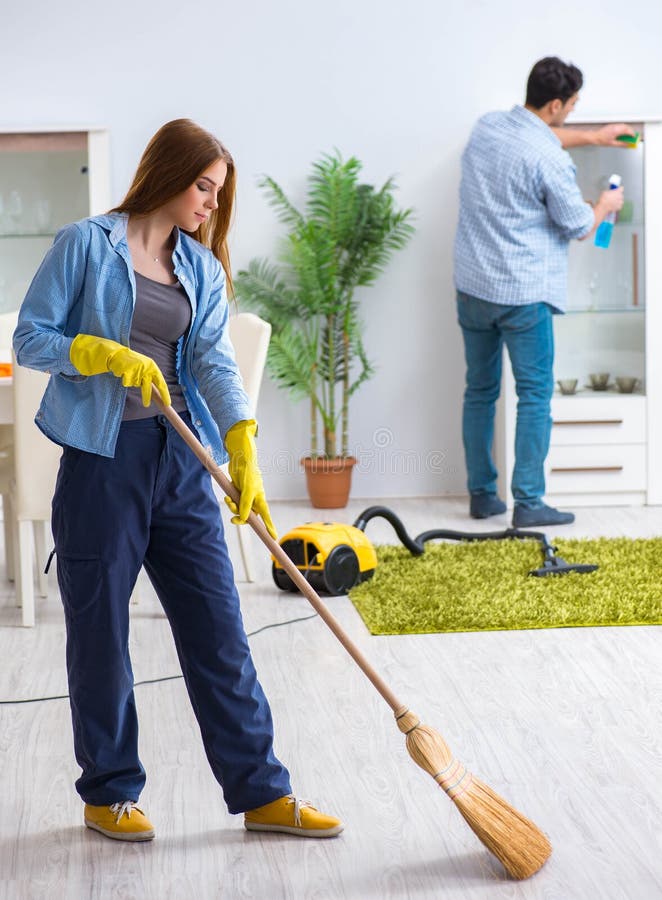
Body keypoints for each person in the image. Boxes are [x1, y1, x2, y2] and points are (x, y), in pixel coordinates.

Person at [13, 118, 343, 843]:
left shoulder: (198, 266)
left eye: (218, 193)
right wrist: (99, 353)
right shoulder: (86, 244)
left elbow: (214, 361)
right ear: (167, 173)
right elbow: (29, 337)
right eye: (204, 186)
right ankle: (109, 793)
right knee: (101, 636)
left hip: (184, 460)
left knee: (219, 631)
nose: (212, 204)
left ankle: (262, 791)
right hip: (103, 463)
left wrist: (242, 439)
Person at [453, 57, 629, 528]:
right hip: (522, 294)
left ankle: (482, 496)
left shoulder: (488, 127)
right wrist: (605, 204)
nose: (571, 113)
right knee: (534, 395)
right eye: (571, 107)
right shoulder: (551, 160)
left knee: (480, 391)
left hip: (473, 287)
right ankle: (529, 502)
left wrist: (596, 137)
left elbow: (539, 139)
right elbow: (578, 226)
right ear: (555, 105)